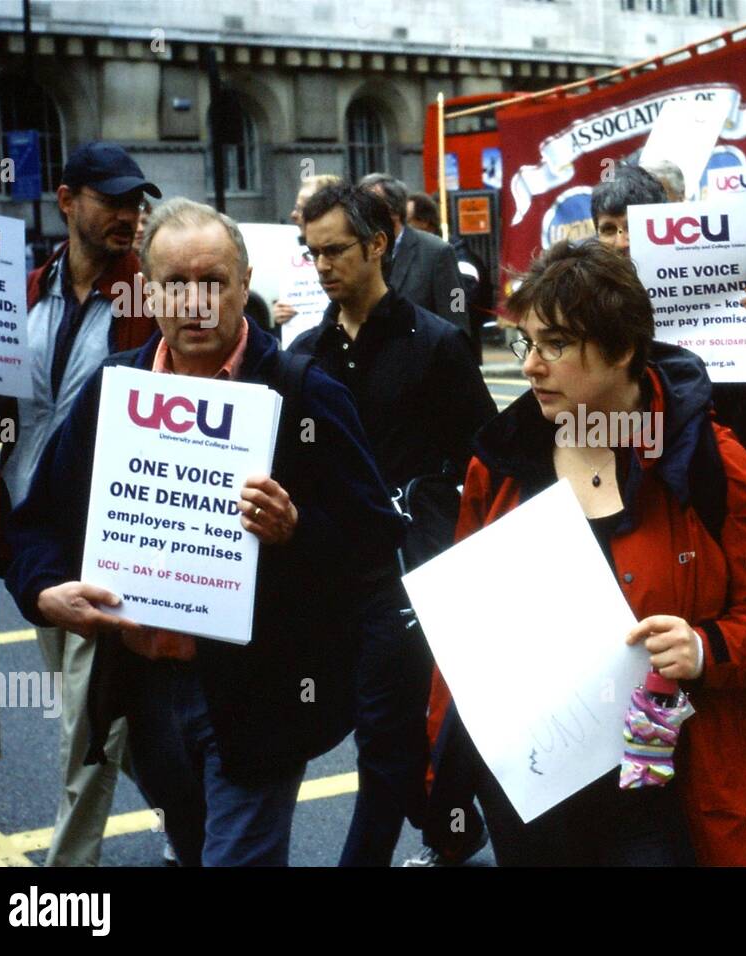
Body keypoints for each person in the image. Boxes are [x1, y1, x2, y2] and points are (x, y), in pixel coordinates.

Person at [3, 198, 403, 866]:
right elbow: (35, 523)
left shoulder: (302, 391)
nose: (195, 303)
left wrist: (296, 529)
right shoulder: (114, 391)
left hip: (260, 698)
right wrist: (43, 593)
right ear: (148, 290)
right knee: (192, 852)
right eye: (176, 284)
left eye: (213, 282)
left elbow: (374, 545)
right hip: (144, 694)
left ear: (244, 285)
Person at [429, 239, 746, 865]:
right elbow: (462, 644)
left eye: (555, 344)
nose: (530, 365)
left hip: (659, 793)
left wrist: (704, 646)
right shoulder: (499, 468)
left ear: (623, 350)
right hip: (531, 793)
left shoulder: (709, 463)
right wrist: (441, 776)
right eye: (525, 342)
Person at [0, 142, 160, 867]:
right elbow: (10, 421)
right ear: (68, 200)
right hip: (30, 537)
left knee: (86, 727)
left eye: (139, 203)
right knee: (106, 720)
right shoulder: (24, 293)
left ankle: (66, 878)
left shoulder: (146, 296)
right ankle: (196, 801)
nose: (130, 217)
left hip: (104, 538)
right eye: (113, 201)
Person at [289, 183, 497, 867]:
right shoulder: (306, 351)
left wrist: (439, 521)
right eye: (311, 252)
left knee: (380, 729)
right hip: (327, 571)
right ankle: (456, 828)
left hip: (407, 572)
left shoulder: (434, 344)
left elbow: (484, 452)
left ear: (378, 245)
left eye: (335, 250)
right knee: (386, 730)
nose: (321, 266)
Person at [590, 163, 746, 449]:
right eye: (609, 229)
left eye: (632, 227)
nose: (621, 242)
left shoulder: (715, 288)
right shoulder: (589, 309)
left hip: (714, 466)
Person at [358, 173, 468, 336]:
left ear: (393, 211)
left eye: (369, 207)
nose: (361, 214)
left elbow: (455, 316)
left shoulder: (436, 252)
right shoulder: (358, 252)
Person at [407, 190, 492, 362]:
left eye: (407, 222)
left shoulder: (455, 254)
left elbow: (461, 296)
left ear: (424, 222)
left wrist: (452, 323)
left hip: (449, 345)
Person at [273, 174, 343, 331]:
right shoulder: (293, 253)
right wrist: (281, 315)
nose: (293, 215)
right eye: (314, 254)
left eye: (301, 209)